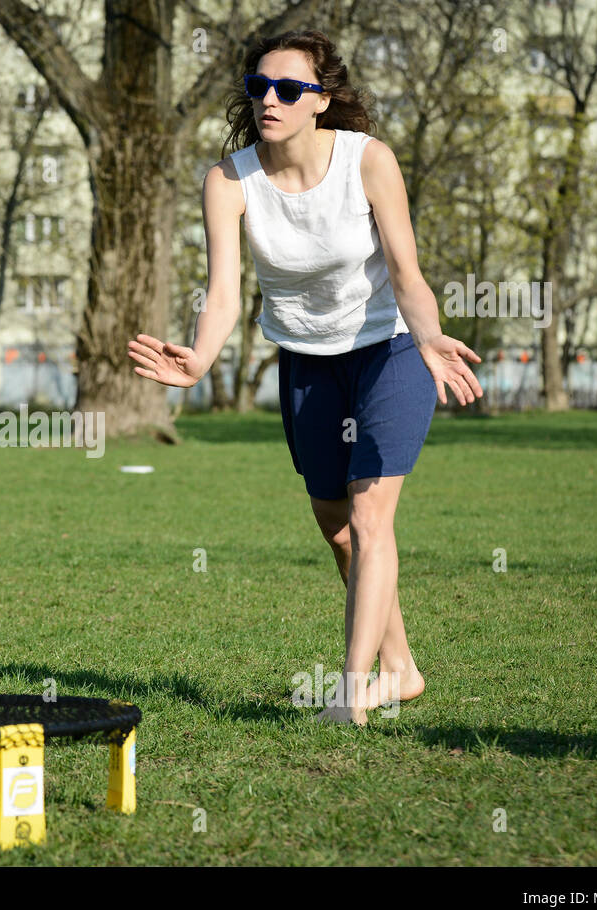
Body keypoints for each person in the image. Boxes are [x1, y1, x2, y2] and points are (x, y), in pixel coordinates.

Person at [127, 29, 484, 725]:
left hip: (389, 351)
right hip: (306, 363)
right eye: (259, 86)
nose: (270, 100)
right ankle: (401, 668)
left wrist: (432, 335)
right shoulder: (230, 180)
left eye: (289, 89)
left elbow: (408, 275)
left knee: (371, 515)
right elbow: (225, 292)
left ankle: (349, 695)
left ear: (322, 100)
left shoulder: (369, 162)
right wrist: (199, 358)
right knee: (337, 528)